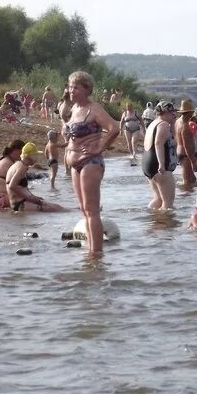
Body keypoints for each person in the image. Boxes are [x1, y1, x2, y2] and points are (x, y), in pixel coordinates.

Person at [64, 71, 119, 256]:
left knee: (92, 209)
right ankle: (90, 251)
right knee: (83, 210)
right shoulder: (73, 109)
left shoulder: (93, 109)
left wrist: (100, 147)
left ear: (86, 89)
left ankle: (96, 255)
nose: (72, 90)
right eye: (70, 87)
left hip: (90, 162)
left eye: (76, 87)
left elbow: (114, 128)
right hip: (75, 163)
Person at [6, 143, 64, 212]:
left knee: (58, 207)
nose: (36, 158)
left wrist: (33, 197)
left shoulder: (19, 164)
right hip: (20, 204)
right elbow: (12, 186)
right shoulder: (21, 167)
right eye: (35, 155)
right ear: (28, 156)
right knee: (58, 209)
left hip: (19, 202)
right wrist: (30, 198)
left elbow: (21, 187)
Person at [141, 101, 178, 210]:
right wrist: (161, 164)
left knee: (158, 199)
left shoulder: (153, 124)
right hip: (159, 165)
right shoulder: (164, 124)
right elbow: (158, 143)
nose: (174, 115)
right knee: (168, 204)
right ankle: (166, 225)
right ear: (165, 112)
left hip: (148, 164)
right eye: (172, 113)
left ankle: (153, 221)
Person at [0, 139, 25, 208]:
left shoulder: (6, 160)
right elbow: (16, 186)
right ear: (13, 150)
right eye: (20, 152)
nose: (21, 154)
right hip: (2, 199)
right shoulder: (8, 163)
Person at [175, 99, 197, 185]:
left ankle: (189, 197)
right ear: (188, 112)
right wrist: (193, 162)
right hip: (186, 155)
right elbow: (187, 145)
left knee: (193, 180)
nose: (192, 114)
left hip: (180, 153)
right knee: (187, 182)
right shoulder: (185, 126)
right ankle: (185, 196)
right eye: (191, 112)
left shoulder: (177, 122)